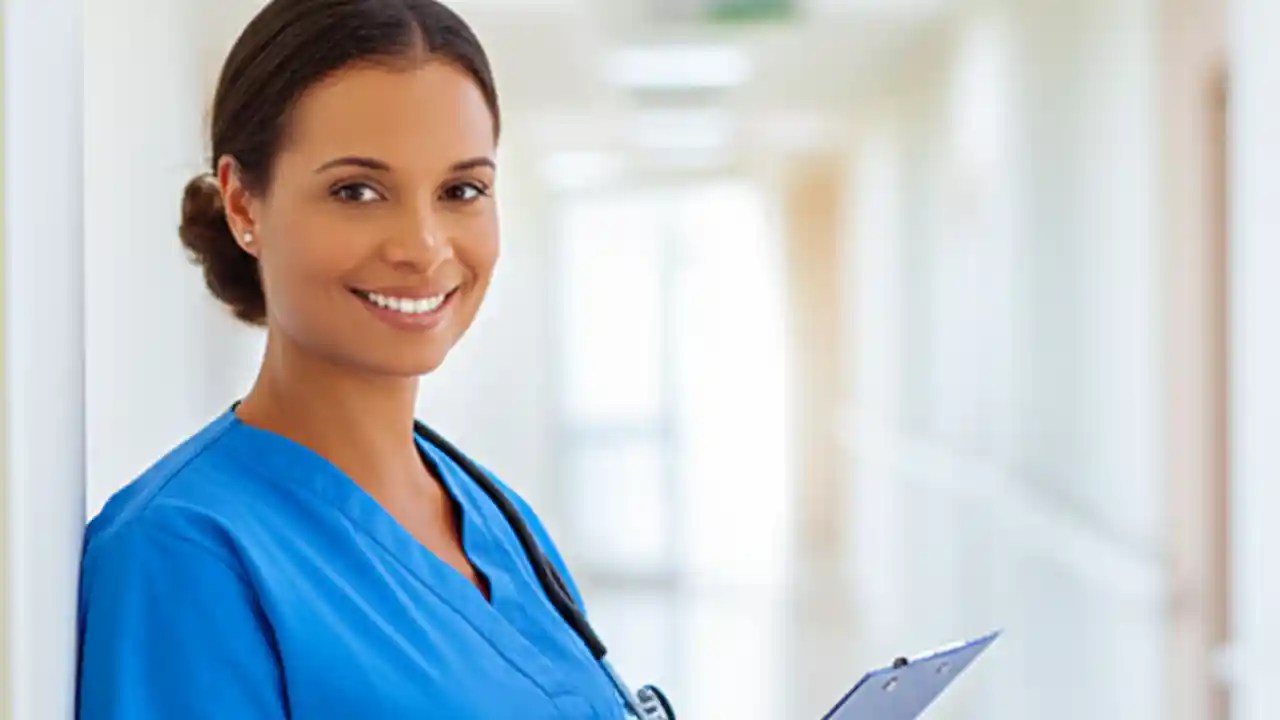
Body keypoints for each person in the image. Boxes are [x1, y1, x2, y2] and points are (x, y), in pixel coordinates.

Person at [76, 1, 627, 717]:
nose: (423, 246)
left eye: (462, 190)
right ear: (244, 204)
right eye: (357, 191)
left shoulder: (494, 515)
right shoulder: (181, 556)